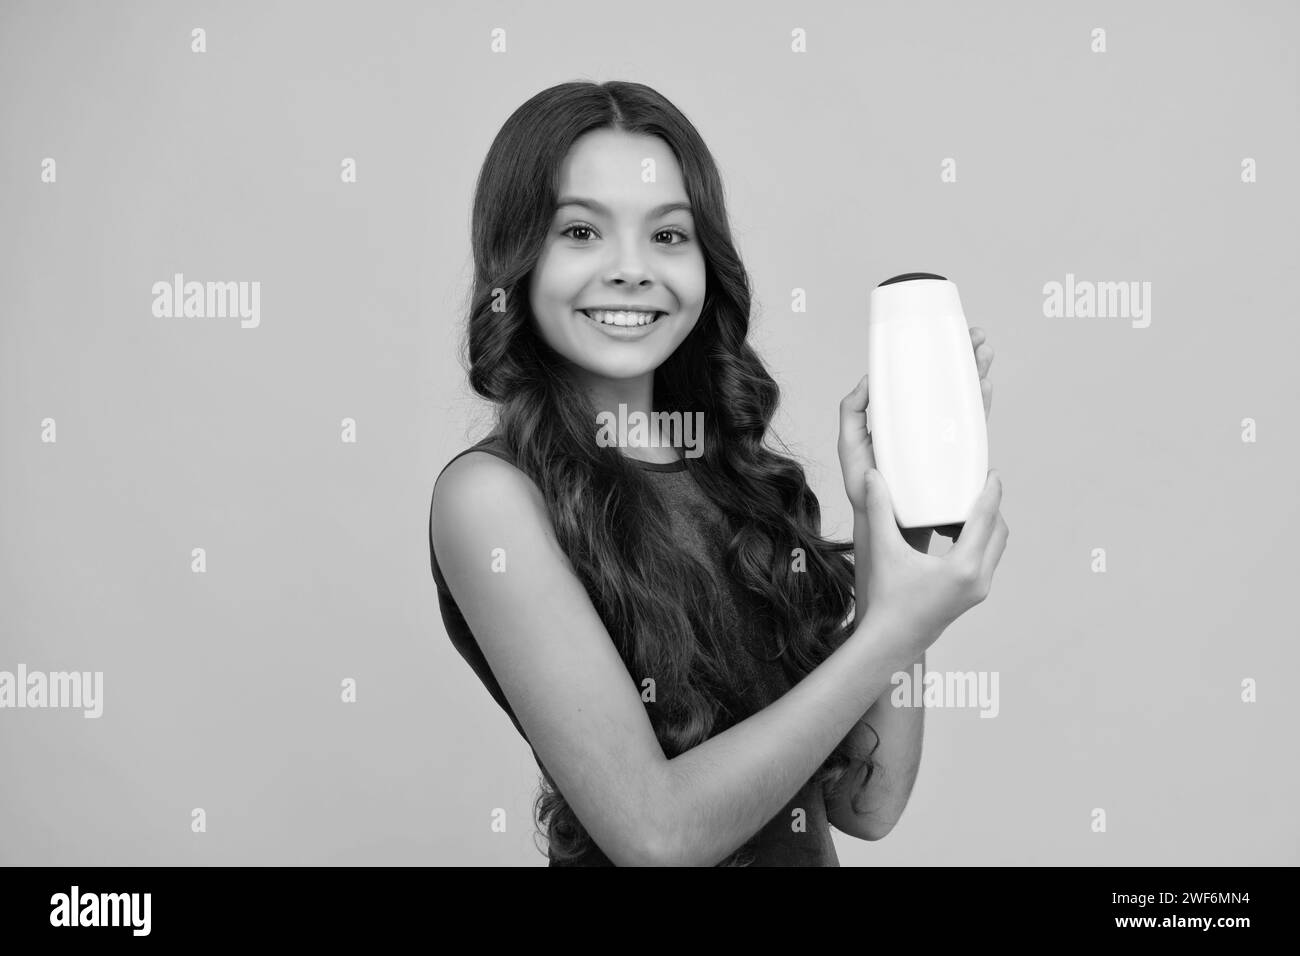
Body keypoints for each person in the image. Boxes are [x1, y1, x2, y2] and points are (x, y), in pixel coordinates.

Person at [428, 80, 1007, 866]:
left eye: (669, 236)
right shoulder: (490, 500)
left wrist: (893, 523)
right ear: (517, 260)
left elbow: (867, 803)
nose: (632, 270)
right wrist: (902, 627)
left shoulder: (727, 470)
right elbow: (658, 835)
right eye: (581, 232)